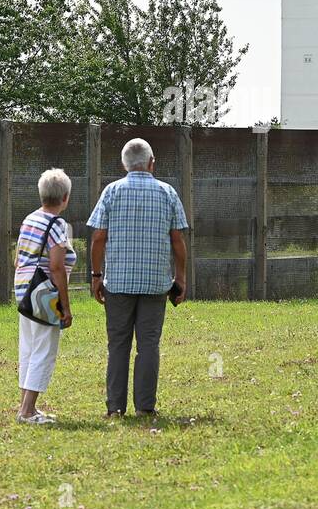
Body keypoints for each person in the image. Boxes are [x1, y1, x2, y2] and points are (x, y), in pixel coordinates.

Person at [87, 138, 188, 419]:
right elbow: (177, 240)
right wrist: (181, 278)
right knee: (148, 345)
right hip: (156, 283)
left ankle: (115, 408)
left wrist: (97, 276)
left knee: (118, 345)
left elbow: (98, 237)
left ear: (124, 164)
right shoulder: (167, 192)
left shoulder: (111, 192)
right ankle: (145, 407)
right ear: (152, 162)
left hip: (118, 283)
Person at [13, 168, 75, 426]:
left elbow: (18, 258)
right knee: (44, 350)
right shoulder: (57, 224)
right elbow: (57, 266)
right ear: (65, 198)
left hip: (24, 290)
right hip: (45, 292)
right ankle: (27, 411)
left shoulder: (29, 219)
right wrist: (65, 305)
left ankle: (26, 406)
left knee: (29, 346)